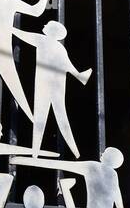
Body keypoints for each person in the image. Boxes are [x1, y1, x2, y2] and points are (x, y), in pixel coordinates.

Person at [12, 21, 91, 156]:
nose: (44, 26)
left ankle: (35, 153)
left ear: (52, 32)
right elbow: (68, 67)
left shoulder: (43, 40)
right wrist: (79, 75)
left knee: (40, 118)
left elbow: (23, 35)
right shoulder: (61, 49)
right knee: (61, 117)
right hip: (58, 85)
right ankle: (75, 152)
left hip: (43, 84)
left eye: (47, 25)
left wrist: (10, 28)